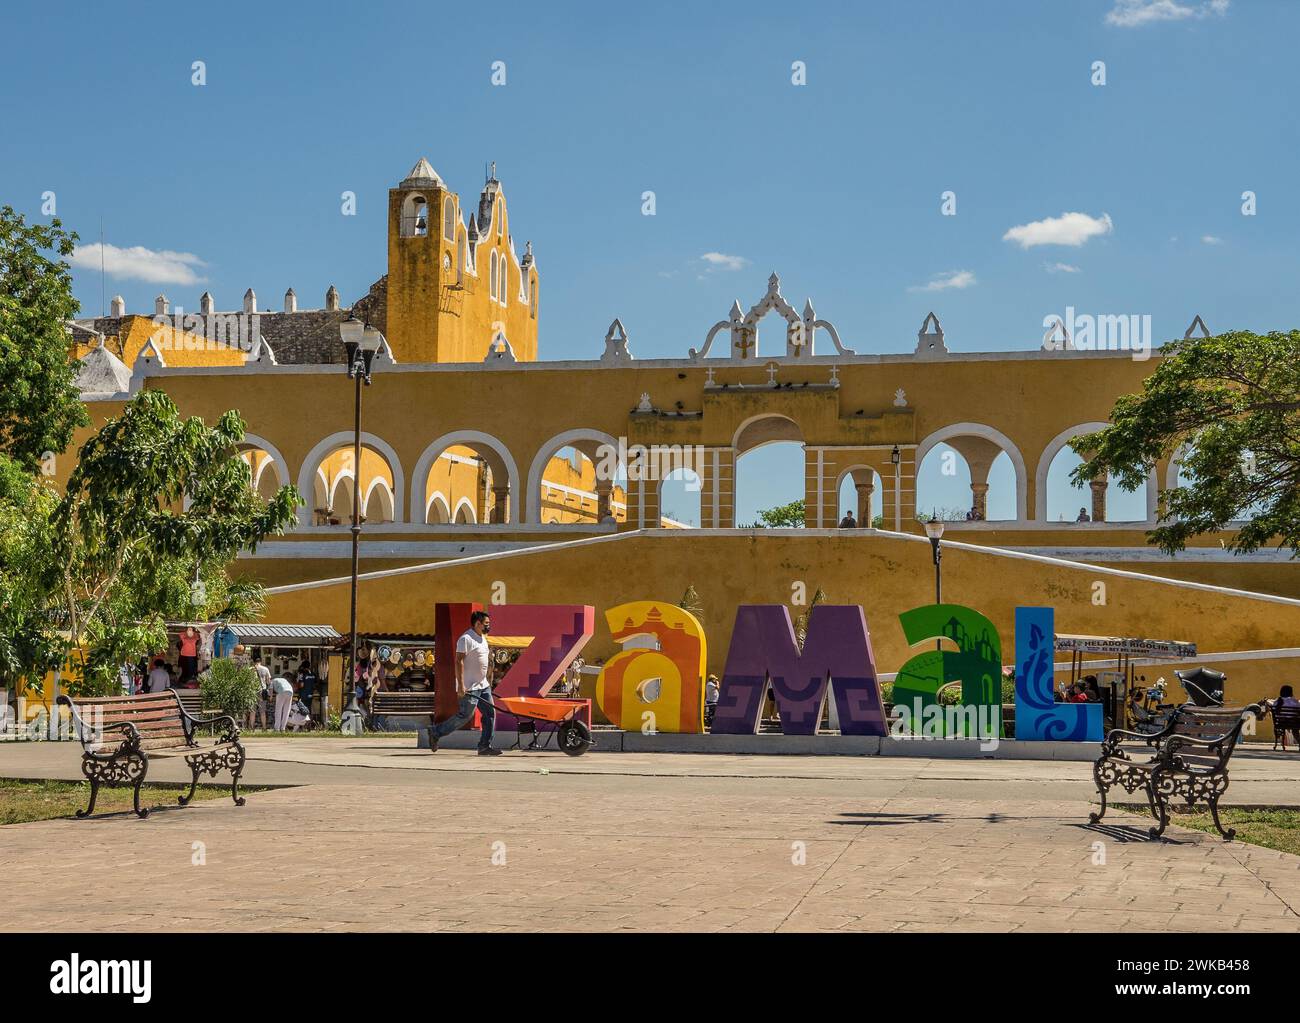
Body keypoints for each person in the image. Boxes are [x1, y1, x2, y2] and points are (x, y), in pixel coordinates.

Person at [427, 611, 499, 756]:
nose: (488, 626)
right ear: (477, 623)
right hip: (469, 686)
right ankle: (435, 732)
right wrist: (460, 685)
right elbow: (458, 661)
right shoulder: (466, 639)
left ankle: (484, 746)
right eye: (486, 624)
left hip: (482, 685)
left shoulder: (482, 638)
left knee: (490, 713)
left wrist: (488, 680)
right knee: (464, 716)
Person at [252, 656, 272, 730]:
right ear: (261, 661)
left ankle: (251, 728)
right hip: (262, 692)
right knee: (262, 711)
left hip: (253, 692)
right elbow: (268, 682)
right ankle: (264, 728)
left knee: (252, 711)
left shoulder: (250, 669)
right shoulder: (265, 669)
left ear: (253, 662)